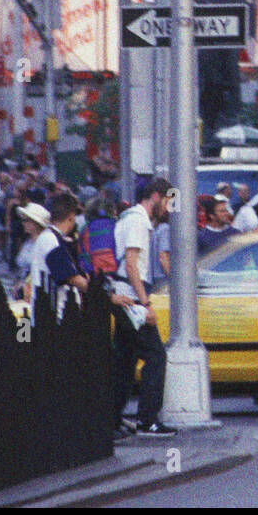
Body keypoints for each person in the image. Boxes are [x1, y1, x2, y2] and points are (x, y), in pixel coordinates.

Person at [109, 178, 176, 439]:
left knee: (124, 361)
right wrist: (144, 303)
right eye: (168, 202)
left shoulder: (130, 218)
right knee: (156, 356)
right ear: (156, 196)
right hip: (131, 298)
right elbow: (131, 265)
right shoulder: (138, 221)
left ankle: (113, 419)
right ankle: (148, 421)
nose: (168, 208)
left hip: (124, 295)